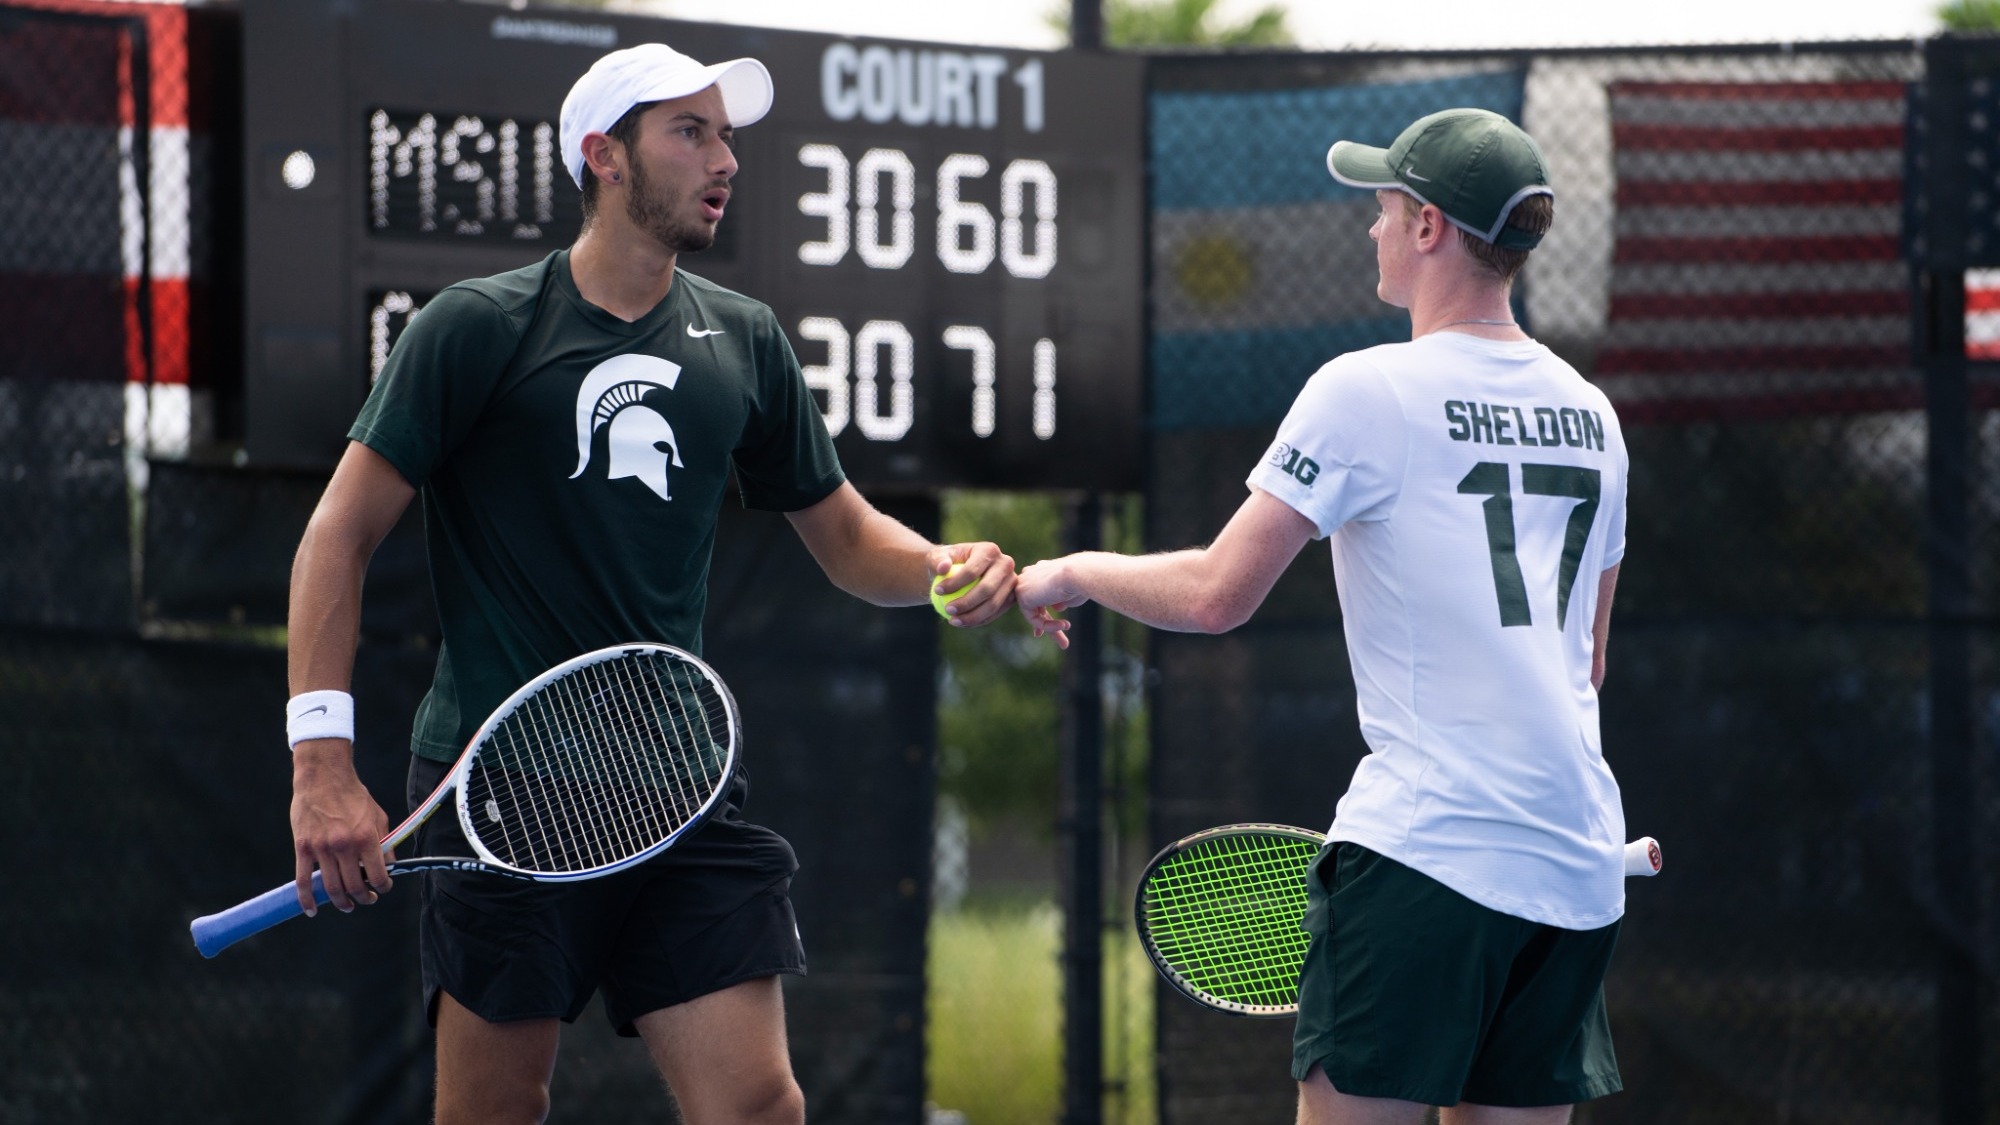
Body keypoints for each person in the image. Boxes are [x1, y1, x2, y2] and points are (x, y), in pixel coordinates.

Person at [282, 42, 1017, 1125]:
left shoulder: (746, 342)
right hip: (500, 789)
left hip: (679, 783)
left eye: (725, 136)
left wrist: (951, 573)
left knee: (759, 1106)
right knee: (494, 1111)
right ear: (605, 157)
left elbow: (851, 536)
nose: (724, 158)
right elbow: (335, 539)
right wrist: (321, 767)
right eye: (691, 132)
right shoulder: (475, 327)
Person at [1017, 108, 1629, 1124]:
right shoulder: (1591, 415)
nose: (1371, 229)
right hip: (1575, 865)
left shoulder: (1364, 390)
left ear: (1428, 227)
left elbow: (1217, 594)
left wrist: (1073, 570)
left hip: (1427, 853)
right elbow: (1585, 661)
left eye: (1384, 208)